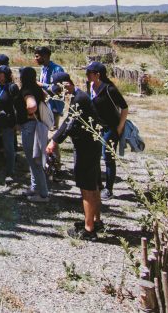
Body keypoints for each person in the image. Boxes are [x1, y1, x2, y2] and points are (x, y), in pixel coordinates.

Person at [47, 72, 104, 240]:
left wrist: (54, 141)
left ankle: (89, 229)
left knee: (87, 187)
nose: (59, 93)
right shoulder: (78, 96)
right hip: (90, 145)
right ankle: (94, 220)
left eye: (59, 89)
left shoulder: (79, 98)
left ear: (66, 84)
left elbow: (70, 123)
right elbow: (68, 122)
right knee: (93, 184)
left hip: (87, 147)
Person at [86, 61, 129, 199]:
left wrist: (120, 127)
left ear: (97, 75)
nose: (86, 76)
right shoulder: (90, 86)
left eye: (89, 73)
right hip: (97, 127)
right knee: (95, 155)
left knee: (108, 156)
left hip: (111, 127)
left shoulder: (110, 89)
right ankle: (99, 184)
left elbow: (124, 107)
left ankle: (109, 189)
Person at [13, 66, 49, 202]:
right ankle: (34, 187)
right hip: (38, 125)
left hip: (30, 127)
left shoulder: (27, 90)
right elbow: (45, 96)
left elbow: (31, 105)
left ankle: (43, 194)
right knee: (33, 159)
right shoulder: (37, 88)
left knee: (35, 161)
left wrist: (28, 114)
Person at [35, 46, 66, 171]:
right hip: (44, 106)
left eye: (38, 56)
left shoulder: (57, 69)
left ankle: (56, 165)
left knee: (52, 136)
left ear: (46, 56)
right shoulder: (43, 69)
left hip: (53, 108)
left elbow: (58, 89)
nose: (35, 58)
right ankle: (47, 162)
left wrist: (42, 85)